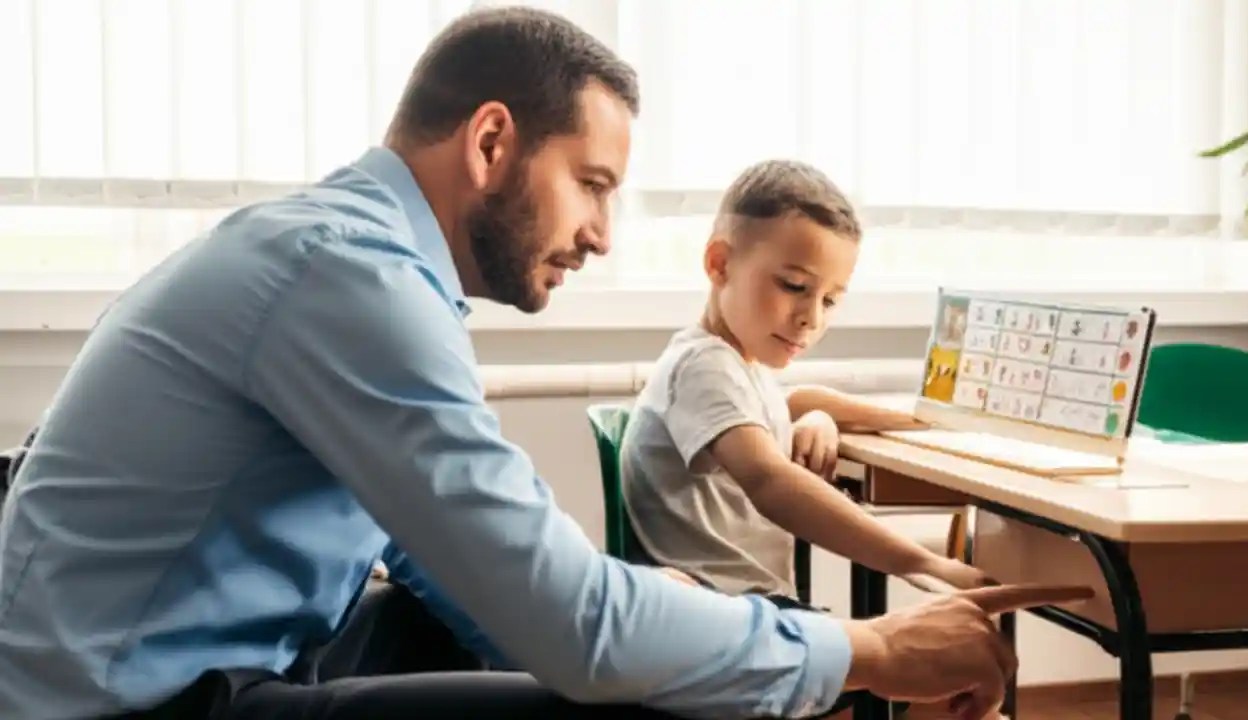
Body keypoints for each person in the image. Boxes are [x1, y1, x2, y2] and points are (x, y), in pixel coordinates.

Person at [0, 7, 1084, 720]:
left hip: (213, 658)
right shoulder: (347, 281)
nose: (603, 233)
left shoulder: (346, 263)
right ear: (489, 144)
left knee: (661, 645)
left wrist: (656, 607)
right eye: (594, 183)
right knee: (643, 686)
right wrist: (863, 651)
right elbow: (570, 629)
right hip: (127, 704)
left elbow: (450, 551)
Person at [621, 159, 990, 602]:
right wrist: (921, 562)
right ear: (719, 264)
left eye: (830, 300)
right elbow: (770, 482)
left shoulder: (735, 362)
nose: (811, 319)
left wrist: (902, 419)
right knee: (942, 645)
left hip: (740, 604)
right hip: (724, 615)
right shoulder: (705, 366)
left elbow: (793, 402)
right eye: (794, 286)